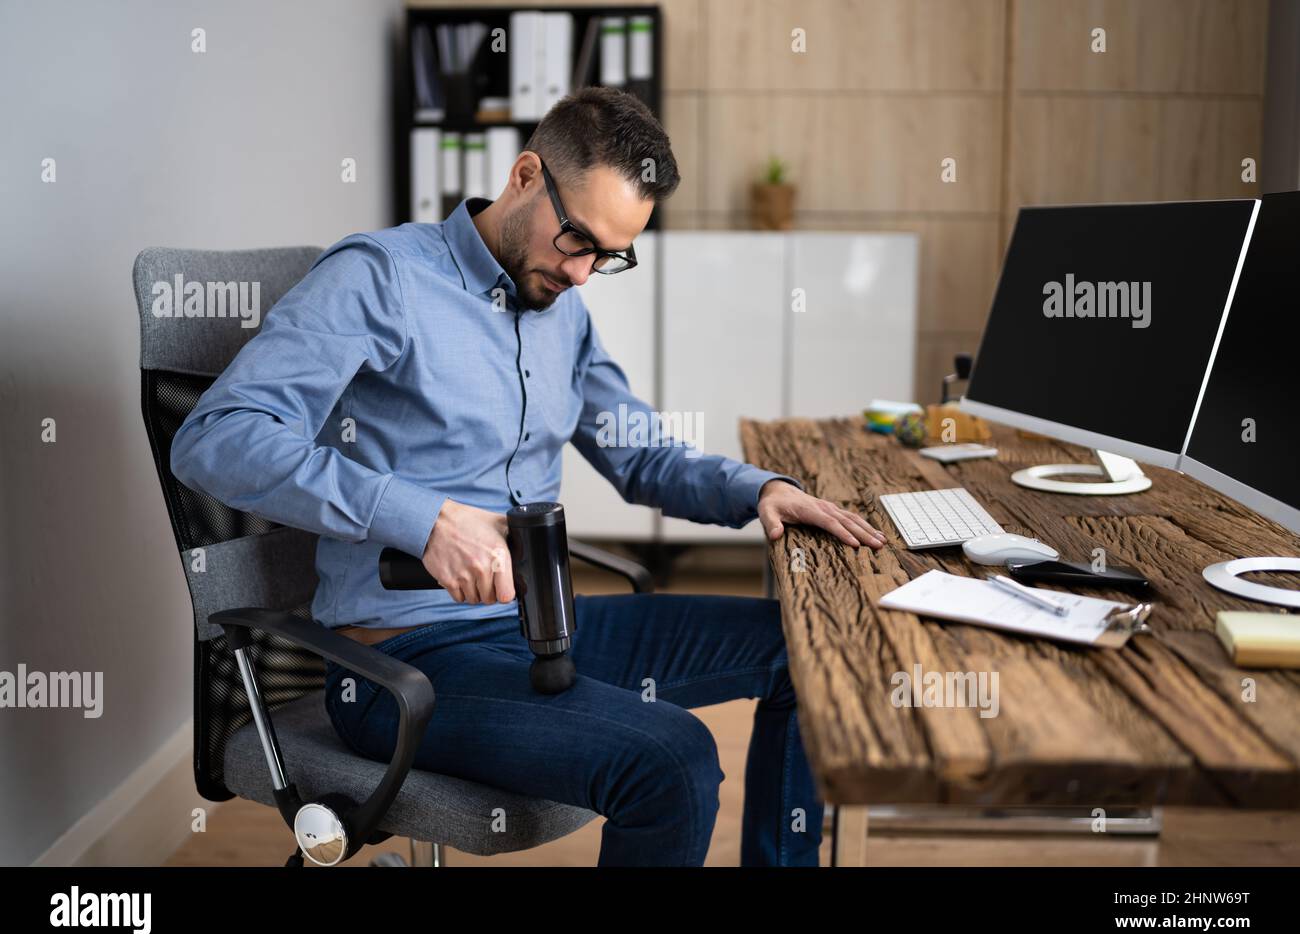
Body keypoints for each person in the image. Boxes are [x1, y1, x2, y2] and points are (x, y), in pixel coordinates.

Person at [170, 86, 885, 866]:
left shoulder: (564, 308)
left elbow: (639, 452)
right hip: (401, 666)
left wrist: (760, 490)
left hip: (547, 629)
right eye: (577, 240)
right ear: (524, 176)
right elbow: (216, 436)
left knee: (812, 653)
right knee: (672, 761)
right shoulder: (380, 278)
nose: (582, 275)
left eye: (609, 257)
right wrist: (424, 518)